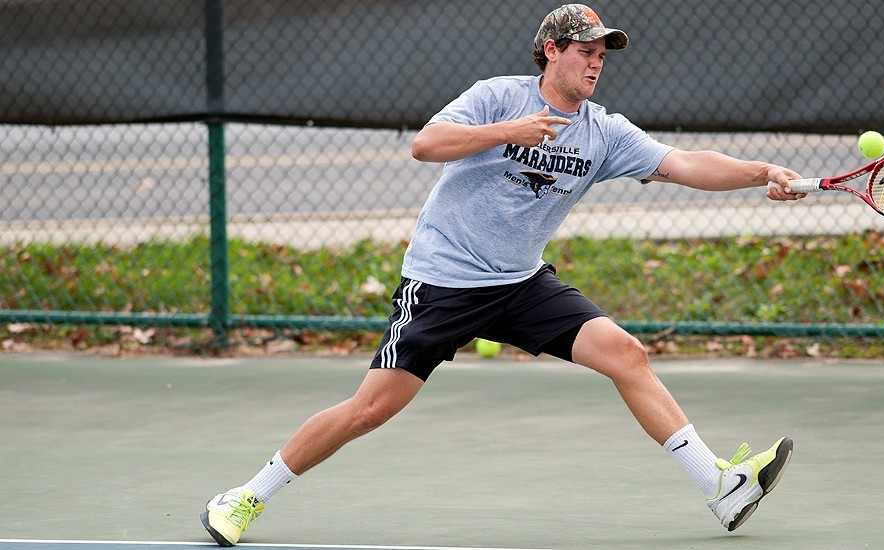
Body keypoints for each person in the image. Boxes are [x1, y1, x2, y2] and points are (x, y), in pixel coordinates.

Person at [201, 4, 805, 546]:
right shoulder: (497, 97)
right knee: (369, 410)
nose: (595, 64)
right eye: (585, 51)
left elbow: (687, 163)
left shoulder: (604, 132)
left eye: (602, 55)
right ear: (552, 50)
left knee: (626, 353)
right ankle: (247, 496)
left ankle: (720, 486)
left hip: (520, 284)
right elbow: (426, 144)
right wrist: (509, 132)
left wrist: (762, 172)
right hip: (443, 281)